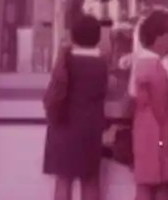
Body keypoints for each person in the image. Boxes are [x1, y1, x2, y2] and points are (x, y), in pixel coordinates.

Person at [43, 14, 109, 200]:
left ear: (73, 35)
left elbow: (54, 91)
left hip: (63, 125)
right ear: (98, 37)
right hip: (90, 129)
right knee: (90, 181)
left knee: (63, 181)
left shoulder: (66, 61)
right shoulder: (102, 64)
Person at [133, 10, 168, 200]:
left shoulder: (140, 62)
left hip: (144, 132)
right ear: (159, 37)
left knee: (146, 182)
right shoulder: (155, 66)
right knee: (163, 180)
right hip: (161, 132)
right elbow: (162, 98)